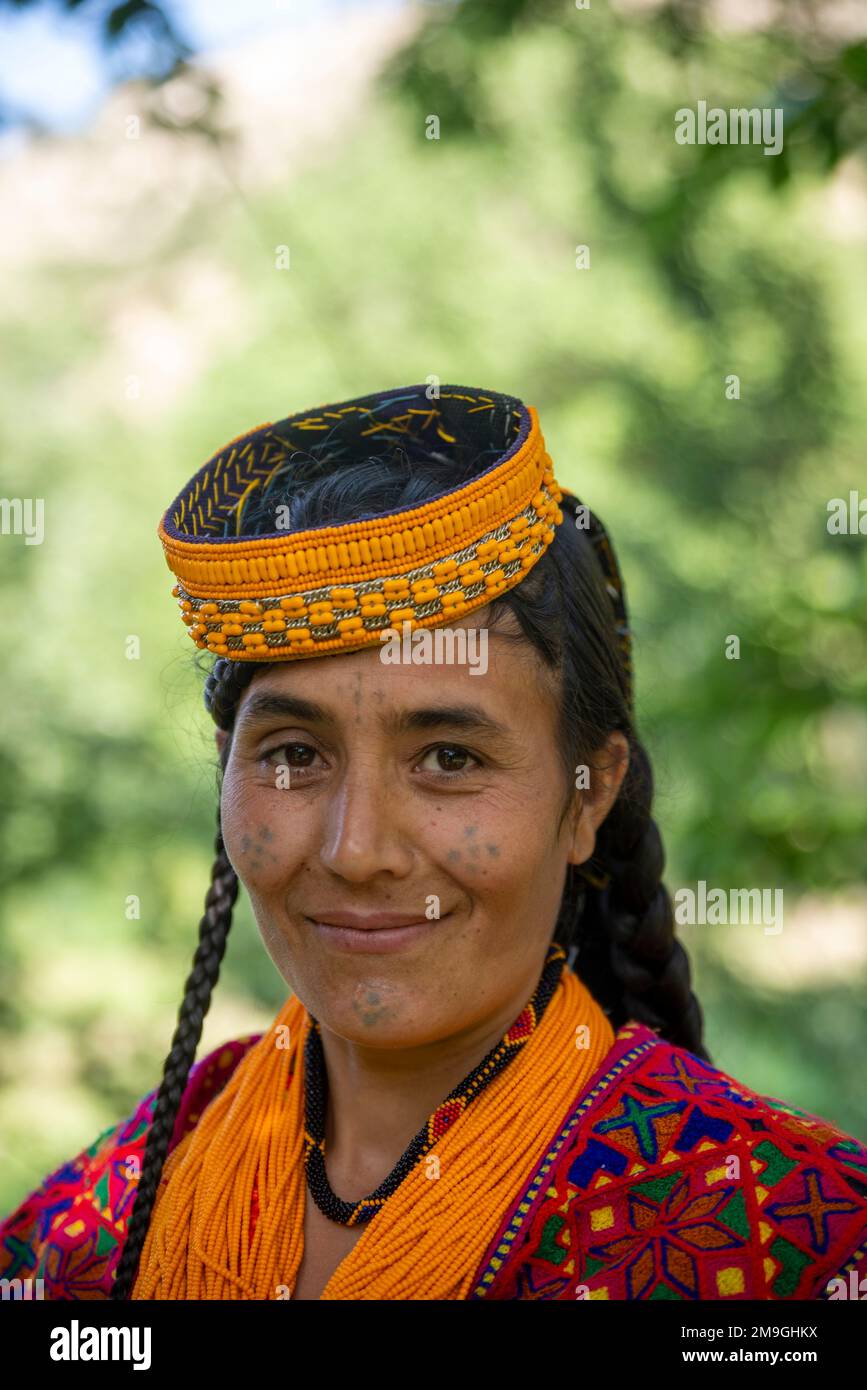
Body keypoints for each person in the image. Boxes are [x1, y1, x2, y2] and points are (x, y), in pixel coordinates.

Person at [2, 383, 865, 1302]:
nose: (356, 849)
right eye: (294, 754)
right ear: (226, 773)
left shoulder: (788, 1245)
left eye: (448, 756)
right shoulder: (96, 1225)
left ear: (586, 797)